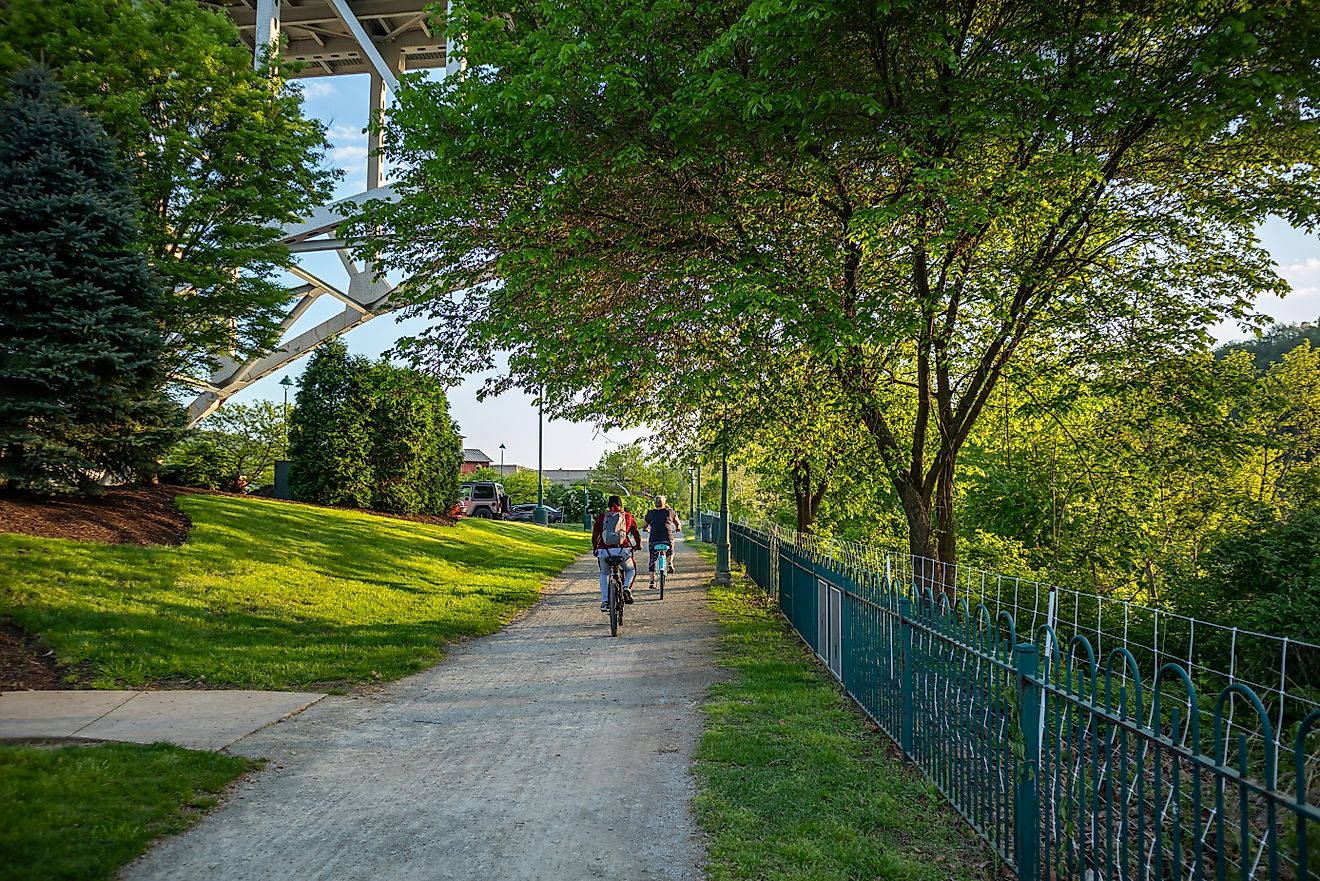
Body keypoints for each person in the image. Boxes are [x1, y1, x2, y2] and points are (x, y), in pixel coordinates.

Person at [592, 494, 641, 612]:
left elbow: (595, 536)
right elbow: (636, 534)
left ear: (608, 505)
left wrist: (595, 548)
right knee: (630, 570)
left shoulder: (601, 517)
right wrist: (638, 545)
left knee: (604, 574)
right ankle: (626, 588)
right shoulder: (627, 517)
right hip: (622, 551)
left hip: (605, 551)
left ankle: (604, 602)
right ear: (621, 505)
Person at [643, 495, 682, 587]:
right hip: (667, 539)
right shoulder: (670, 512)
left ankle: (652, 581)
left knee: (652, 559)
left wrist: (646, 529)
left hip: (654, 540)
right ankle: (670, 562)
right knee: (671, 551)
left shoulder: (651, 513)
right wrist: (678, 528)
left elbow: (644, 526)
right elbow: (678, 523)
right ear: (664, 503)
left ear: (654, 503)